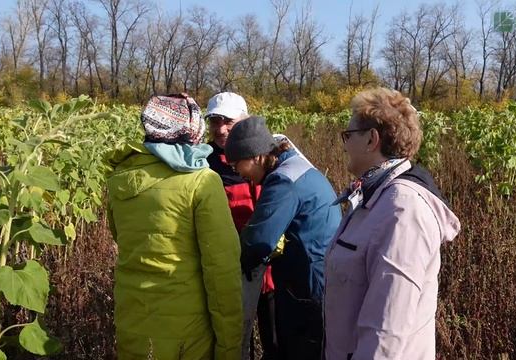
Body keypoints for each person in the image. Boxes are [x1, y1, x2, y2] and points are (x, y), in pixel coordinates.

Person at [324, 88, 461, 360]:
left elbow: (386, 332)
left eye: (348, 135)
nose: (344, 145)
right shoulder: (375, 196)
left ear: (371, 139)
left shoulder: (403, 210)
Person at [107, 93, 242, 360]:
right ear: (193, 132)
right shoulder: (202, 182)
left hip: (132, 324)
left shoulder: (120, 177)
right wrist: (229, 346)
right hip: (187, 333)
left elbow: (122, 239)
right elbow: (222, 272)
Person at [225, 116, 342, 360]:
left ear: (257, 156)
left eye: (237, 163)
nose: (235, 170)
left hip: (305, 285)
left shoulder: (282, 181)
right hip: (320, 275)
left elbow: (257, 241)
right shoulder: (296, 165)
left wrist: (225, 265)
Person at [204, 92, 277, 360]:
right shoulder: (205, 164)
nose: (220, 129)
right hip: (233, 268)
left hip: (271, 269)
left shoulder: (266, 156)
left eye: (228, 122)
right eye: (214, 121)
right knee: (236, 339)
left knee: (275, 339)